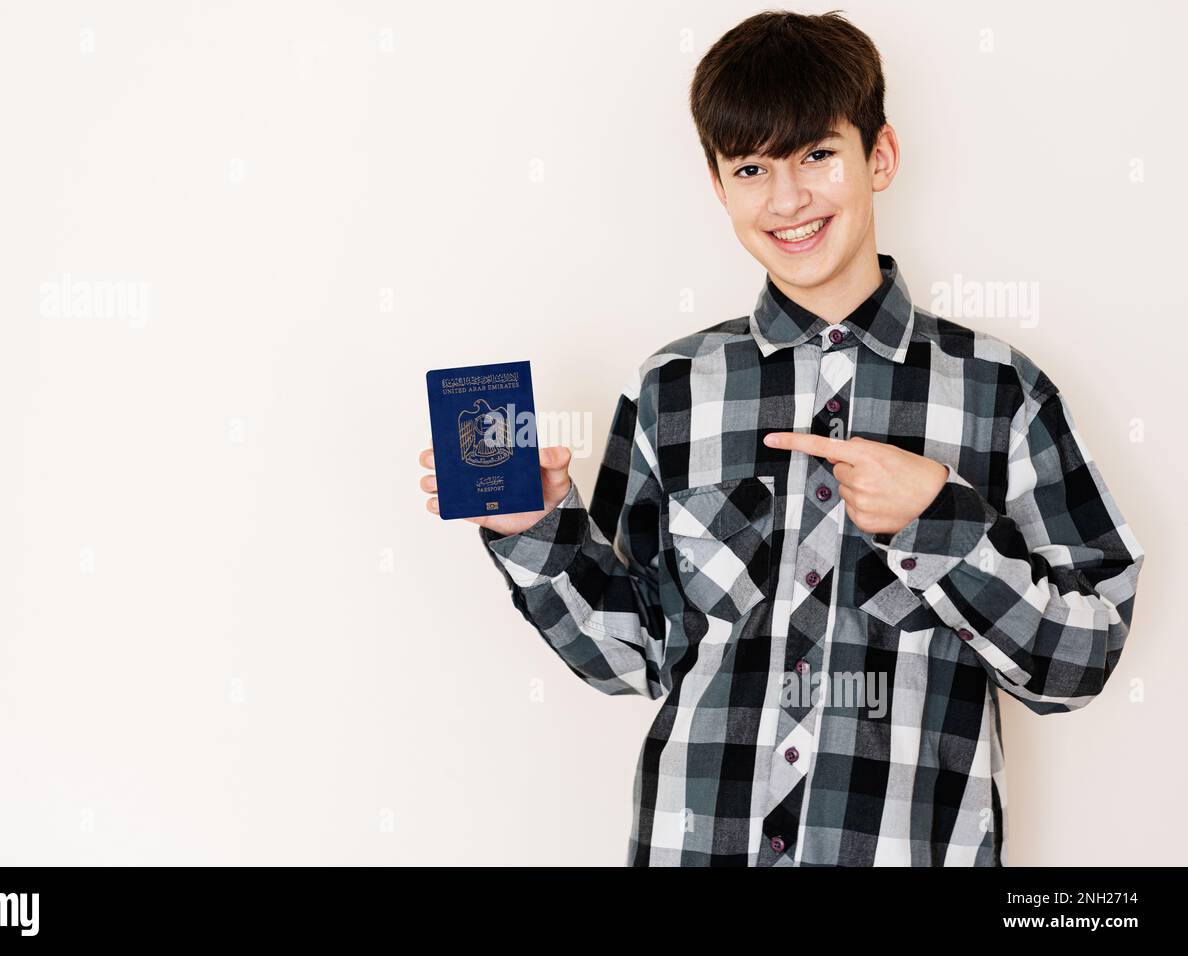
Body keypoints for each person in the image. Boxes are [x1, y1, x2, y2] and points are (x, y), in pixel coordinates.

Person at [417, 9, 1143, 866]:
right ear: (718, 187)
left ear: (880, 157)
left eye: (817, 155)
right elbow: (633, 656)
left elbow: (1081, 661)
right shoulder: (670, 391)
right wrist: (534, 530)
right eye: (752, 167)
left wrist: (938, 522)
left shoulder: (1001, 392)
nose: (787, 199)